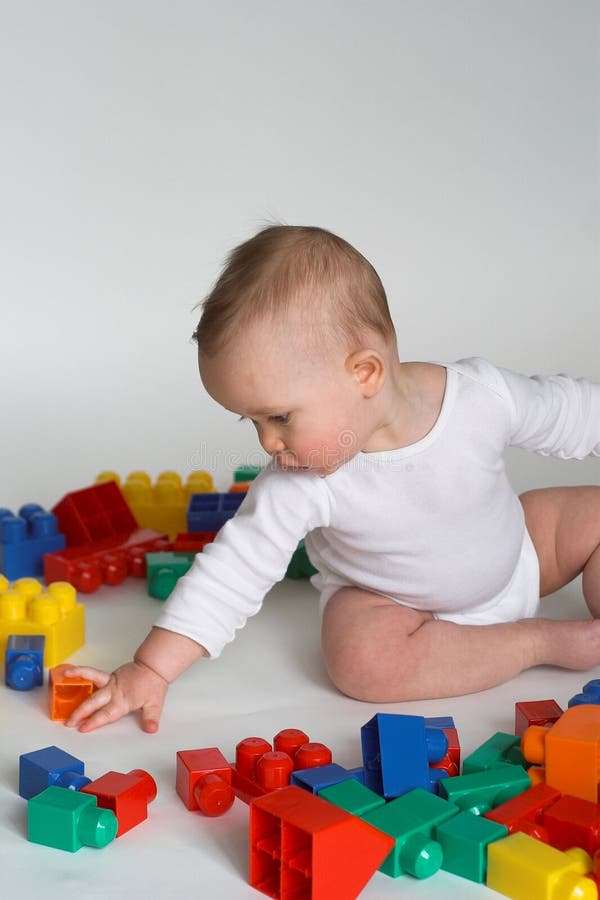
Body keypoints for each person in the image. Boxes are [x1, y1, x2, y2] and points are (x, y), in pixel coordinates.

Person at [65, 225, 600, 733]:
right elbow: (234, 568)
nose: (268, 443)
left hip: (520, 555)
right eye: (252, 422)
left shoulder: (479, 397)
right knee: (361, 661)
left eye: (279, 417)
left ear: (364, 373)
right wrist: (151, 668)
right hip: (395, 606)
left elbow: (572, 412)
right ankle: (535, 643)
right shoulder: (301, 479)